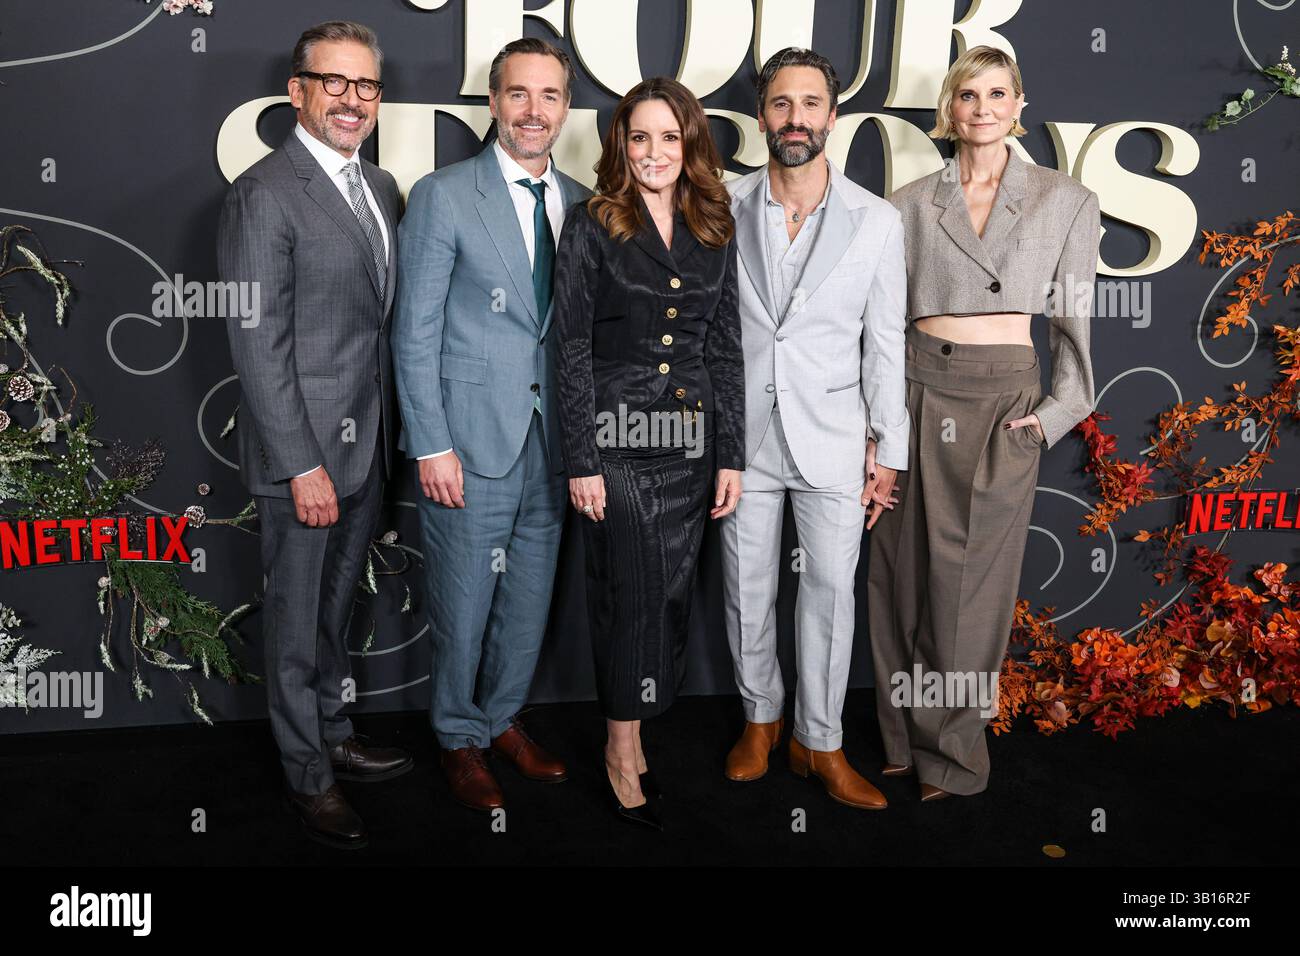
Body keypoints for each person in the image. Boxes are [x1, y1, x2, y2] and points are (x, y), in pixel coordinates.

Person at [868, 45, 1100, 800]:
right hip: (912, 388)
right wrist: (874, 424)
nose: (983, 108)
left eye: (998, 93)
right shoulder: (905, 203)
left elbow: (1075, 323)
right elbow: (876, 325)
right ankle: (900, 738)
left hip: (1003, 401)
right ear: (950, 106)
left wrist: (1055, 415)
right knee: (896, 578)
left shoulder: (1064, 199)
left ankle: (952, 757)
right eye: (969, 94)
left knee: (968, 595)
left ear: (1019, 104)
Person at [217, 20, 412, 850]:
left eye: (366, 85)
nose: (352, 100)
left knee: (334, 612)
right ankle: (308, 777)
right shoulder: (264, 192)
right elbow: (256, 345)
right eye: (334, 82)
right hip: (305, 459)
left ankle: (334, 731)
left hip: (366, 446)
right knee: (295, 628)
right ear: (296, 92)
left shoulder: (384, 188)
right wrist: (300, 464)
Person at [392, 38, 590, 812]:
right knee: (465, 600)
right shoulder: (445, 194)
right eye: (518, 94)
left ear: (566, 109)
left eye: (549, 96)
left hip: (556, 446)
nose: (534, 110)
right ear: (494, 103)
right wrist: (431, 443)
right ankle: (457, 737)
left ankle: (504, 718)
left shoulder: (579, 199)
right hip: (469, 443)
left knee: (529, 600)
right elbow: (415, 332)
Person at [719, 48, 908, 810]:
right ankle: (760, 722)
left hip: (835, 438)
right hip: (743, 443)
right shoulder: (719, 202)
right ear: (762, 115)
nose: (794, 119)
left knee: (831, 594)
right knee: (745, 588)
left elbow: (886, 341)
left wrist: (888, 449)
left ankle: (819, 740)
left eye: (810, 104)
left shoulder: (878, 220)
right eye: (780, 104)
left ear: (833, 116)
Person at [553, 77, 745, 829]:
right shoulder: (592, 223)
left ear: (691, 144)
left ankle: (635, 738)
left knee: (668, 594)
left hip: (691, 442)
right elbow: (569, 347)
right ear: (620, 147)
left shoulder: (714, 223)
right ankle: (619, 747)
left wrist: (730, 453)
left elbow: (724, 347)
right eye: (640, 138)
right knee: (630, 593)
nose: (654, 152)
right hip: (618, 438)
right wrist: (581, 459)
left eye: (670, 137)